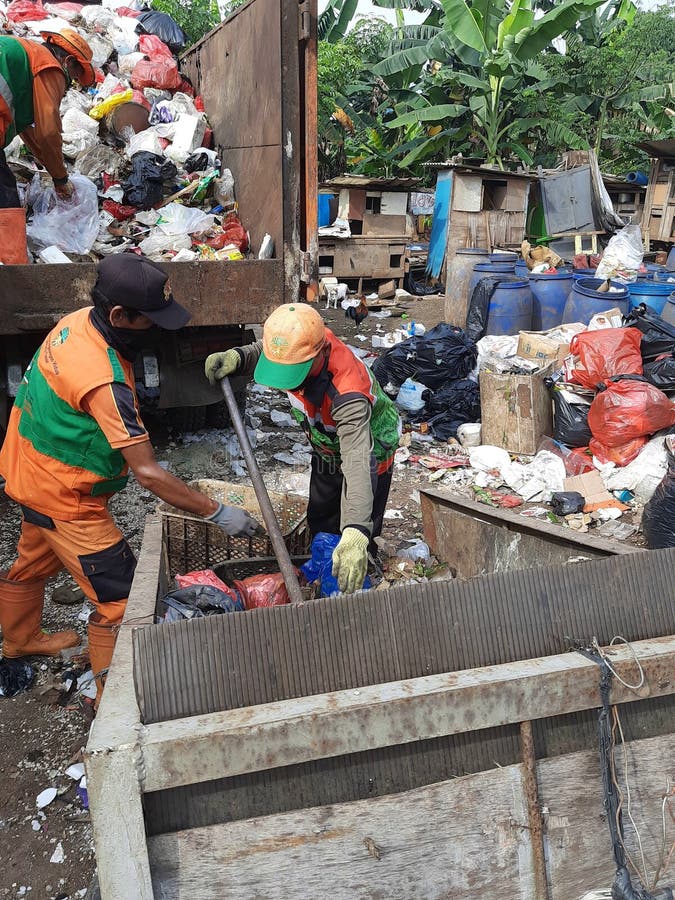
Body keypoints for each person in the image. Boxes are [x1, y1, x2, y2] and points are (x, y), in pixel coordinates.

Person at [0, 255, 259, 704]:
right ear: (119, 315)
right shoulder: (104, 378)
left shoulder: (78, 322)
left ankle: (19, 640)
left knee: (33, 561)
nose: (157, 329)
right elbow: (147, 472)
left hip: (26, 469)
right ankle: (112, 702)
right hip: (65, 496)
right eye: (150, 321)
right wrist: (217, 511)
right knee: (122, 601)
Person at [205, 303, 401, 594]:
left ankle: (355, 587)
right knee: (321, 518)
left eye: (294, 371)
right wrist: (241, 356)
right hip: (326, 448)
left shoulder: (348, 392)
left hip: (369, 452)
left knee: (356, 533)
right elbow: (271, 351)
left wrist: (357, 532)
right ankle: (321, 577)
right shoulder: (302, 342)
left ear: (321, 354)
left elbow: (359, 463)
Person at [0, 28, 95, 206]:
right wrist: (60, 179)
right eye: (74, 77)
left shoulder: (27, 54)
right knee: (6, 207)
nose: (71, 84)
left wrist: (55, 171)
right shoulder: (50, 67)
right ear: (68, 61)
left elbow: (27, 129)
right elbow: (48, 132)